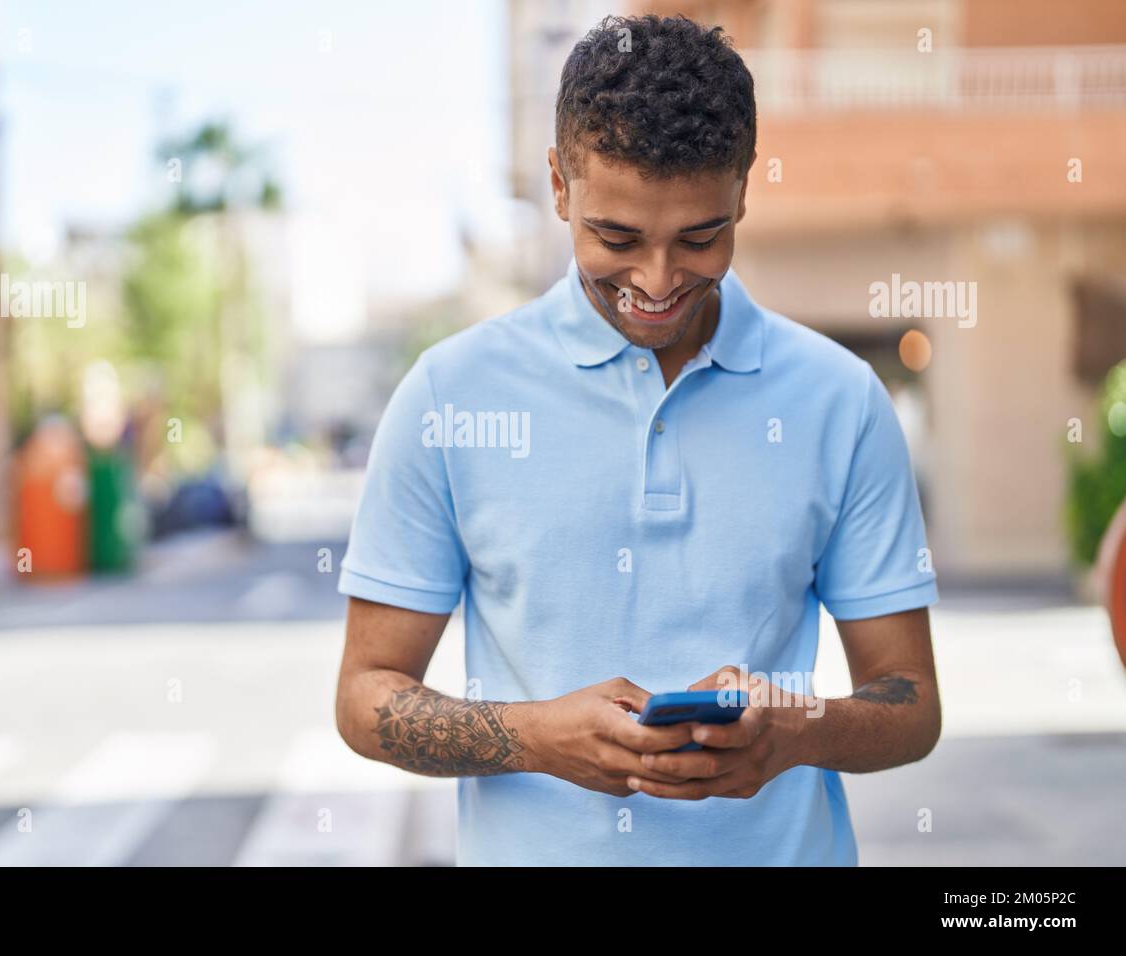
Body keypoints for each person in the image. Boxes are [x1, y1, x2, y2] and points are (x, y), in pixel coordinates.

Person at [335, 14, 940, 866]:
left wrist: (795, 730)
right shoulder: (449, 395)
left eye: (701, 237)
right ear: (558, 185)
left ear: (744, 190)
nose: (657, 283)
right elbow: (365, 697)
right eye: (616, 239)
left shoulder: (841, 401)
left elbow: (912, 704)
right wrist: (535, 738)